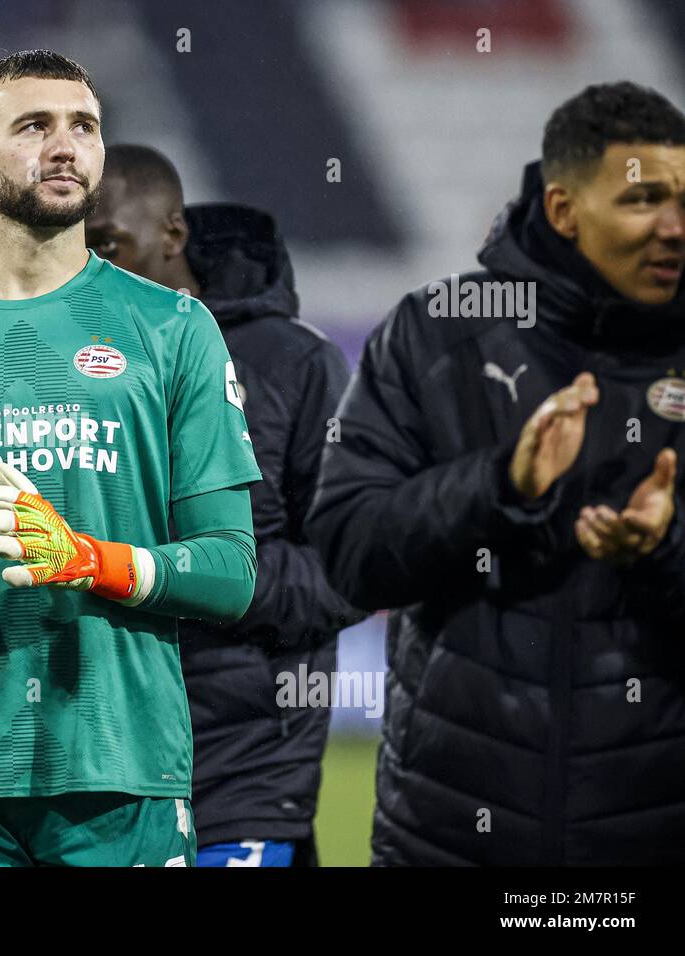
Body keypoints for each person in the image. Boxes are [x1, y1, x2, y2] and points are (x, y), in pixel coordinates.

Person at [0, 50, 261, 867]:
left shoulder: (175, 328)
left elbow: (232, 569)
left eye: (84, 127)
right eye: (34, 126)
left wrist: (88, 560)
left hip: (119, 772)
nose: (66, 145)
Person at [307, 81, 685, 865]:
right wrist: (497, 487)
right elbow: (347, 551)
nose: (675, 228)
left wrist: (665, 545)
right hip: (449, 839)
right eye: (644, 200)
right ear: (562, 210)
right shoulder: (438, 335)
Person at [85, 144, 364, 867]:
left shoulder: (295, 365)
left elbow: (351, 566)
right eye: (76, 251)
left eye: (108, 245)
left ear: (172, 236)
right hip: (99, 771)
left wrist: (194, 571)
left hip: (239, 776)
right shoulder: (69, 364)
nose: (89, 270)